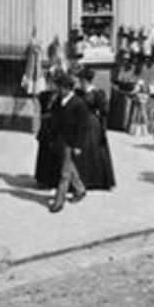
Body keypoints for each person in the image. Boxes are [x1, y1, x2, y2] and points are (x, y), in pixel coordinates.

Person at [48, 74, 89, 213]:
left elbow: (82, 126)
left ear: (68, 88)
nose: (58, 90)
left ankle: (58, 202)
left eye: (61, 87)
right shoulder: (58, 101)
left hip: (71, 141)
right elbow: (54, 118)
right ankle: (80, 189)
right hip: (60, 140)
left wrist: (78, 145)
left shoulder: (79, 104)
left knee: (64, 173)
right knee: (69, 166)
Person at [76, 67, 116, 190]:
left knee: (94, 151)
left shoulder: (97, 93)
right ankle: (80, 180)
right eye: (80, 81)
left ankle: (96, 180)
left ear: (88, 81)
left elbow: (104, 111)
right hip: (79, 123)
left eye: (82, 81)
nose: (81, 84)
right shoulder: (78, 92)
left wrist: (103, 127)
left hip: (92, 125)